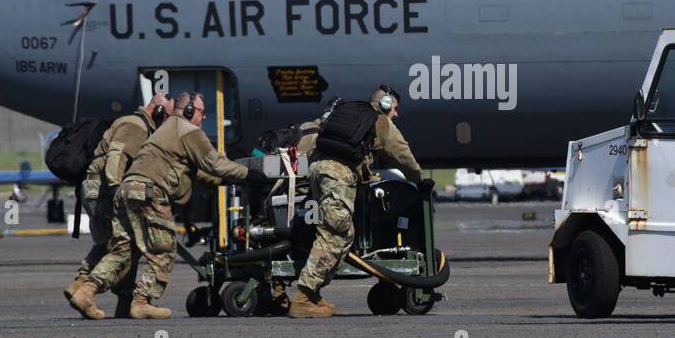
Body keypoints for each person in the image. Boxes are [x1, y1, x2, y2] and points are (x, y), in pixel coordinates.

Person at [80, 92, 252, 319]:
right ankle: (142, 302)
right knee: (163, 250)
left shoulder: (165, 129)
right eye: (201, 111)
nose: (204, 116)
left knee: (124, 249)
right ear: (189, 111)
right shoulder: (188, 131)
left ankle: (87, 291)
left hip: (128, 190)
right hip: (149, 193)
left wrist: (224, 179)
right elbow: (214, 163)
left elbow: (196, 172)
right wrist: (249, 174)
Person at [292, 85, 422, 318]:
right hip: (337, 175)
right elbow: (403, 154)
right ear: (384, 104)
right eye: (395, 108)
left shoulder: (348, 113)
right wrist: (419, 179)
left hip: (318, 169)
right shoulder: (380, 121)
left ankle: (312, 295)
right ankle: (303, 297)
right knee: (336, 233)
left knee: (345, 234)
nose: (396, 114)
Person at [64, 93, 173, 319]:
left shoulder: (134, 123)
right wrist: (116, 192)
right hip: (104, 190)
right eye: (168, 117)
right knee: (125, 244)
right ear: (159, 111)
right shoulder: (136, 126)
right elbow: (116, 158)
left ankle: (84, 286)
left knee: (111, 242)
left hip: (97, 187)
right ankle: (87, 291)